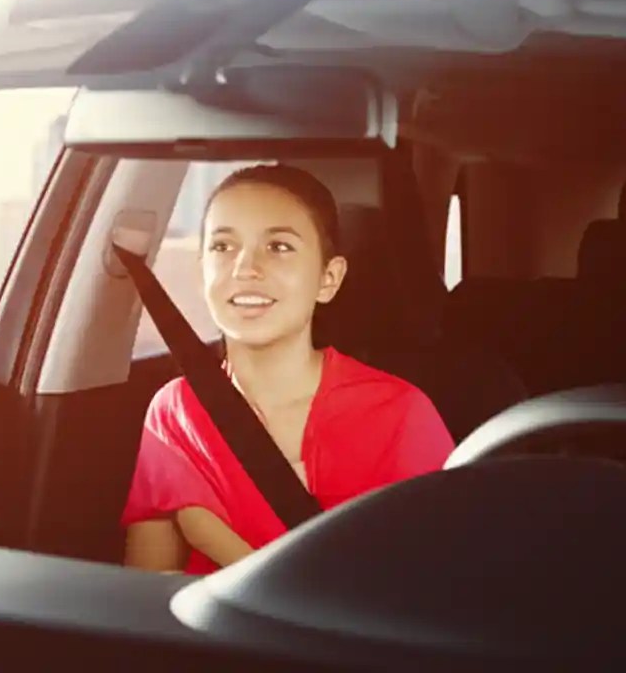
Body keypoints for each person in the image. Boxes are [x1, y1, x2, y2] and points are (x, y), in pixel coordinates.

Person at [121, 163, 455, 574]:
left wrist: (207, 532)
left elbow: (431, 589)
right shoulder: (175, 412)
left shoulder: (401, 415)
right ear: (201, 271)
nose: (245, 268)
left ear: (328, 279)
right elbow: (146, 594)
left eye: (278, 246)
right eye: (223, 247)